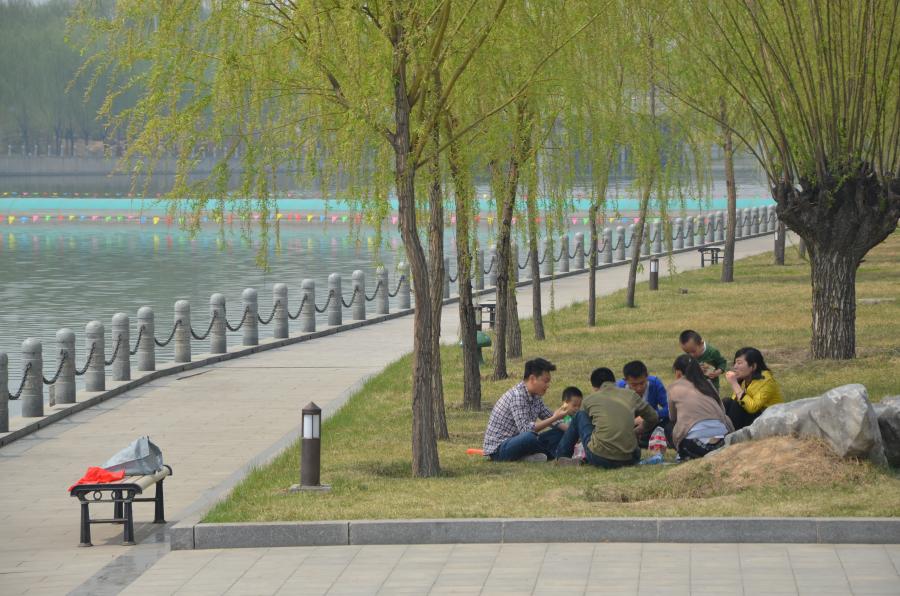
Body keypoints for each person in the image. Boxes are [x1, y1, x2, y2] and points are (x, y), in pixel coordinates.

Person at [556, 367, 659, 468]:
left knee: (580, 415)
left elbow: (590, 426)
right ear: (614, 382)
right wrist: (637, 431)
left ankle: (562, 456)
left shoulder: (589, 400)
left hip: (599, 457)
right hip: (631, 458)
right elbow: (653, 417)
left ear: (595, 388)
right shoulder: (631, 395)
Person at [482, 358, 569, 462]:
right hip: (501, 449)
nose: (548, 385)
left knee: (560, 433)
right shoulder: (517, 396)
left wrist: (572, 431)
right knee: (529, 437)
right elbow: (526, 430)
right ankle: (551, 455)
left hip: (521, 440)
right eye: (545, 381)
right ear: (532, 379)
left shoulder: (536, 396)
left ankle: (529, 457)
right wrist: (554, 417)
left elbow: (550, 417)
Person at [668, 354, 735, 460]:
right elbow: (722, 411)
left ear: (678, 372)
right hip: (723, 442)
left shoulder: (674, 387)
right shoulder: (707, 383)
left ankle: (682, 454)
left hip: (695, 445)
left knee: (669, 427)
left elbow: (672, 417)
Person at [722, 347, 784, 430]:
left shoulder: (766, 380)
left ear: (753, 366)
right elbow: (734, 402)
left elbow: (753, 408)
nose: (735, 367)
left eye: (739, 363)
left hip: (769, 419)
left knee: (736, 405)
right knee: (727, 402)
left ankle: (729, 435)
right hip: (754, 418)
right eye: (735, 363)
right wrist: (737, 383)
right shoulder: (745, 379)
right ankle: (718, 433)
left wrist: (734, 384)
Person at [616, 360, 672, 447]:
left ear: (647, 377)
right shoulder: (619, 388)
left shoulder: (655, 383)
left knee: (670, 421)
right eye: (634, 385)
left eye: (642, 383)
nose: (639, 388)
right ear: (626, 380)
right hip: (628, 426)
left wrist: (650, 416)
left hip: (651, 424)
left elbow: (669, 408)